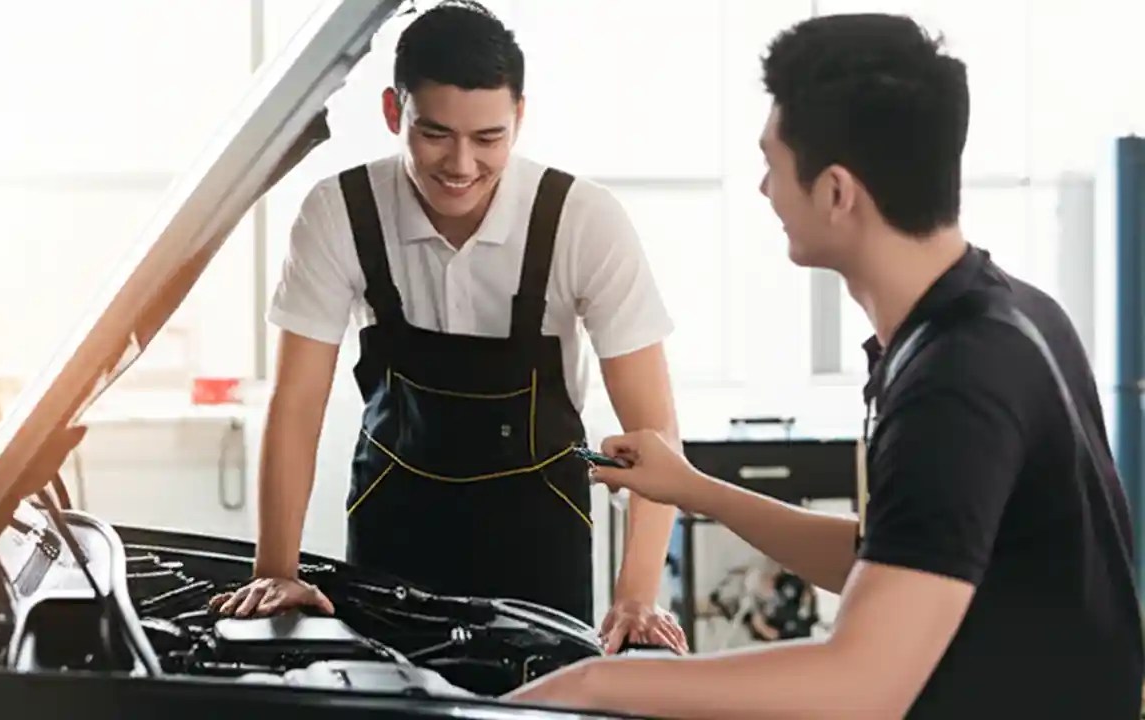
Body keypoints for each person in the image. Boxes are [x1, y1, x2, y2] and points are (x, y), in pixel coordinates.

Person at [506, 13, 1144, 718]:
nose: (763, 191)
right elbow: (890, 561)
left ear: (838, 193)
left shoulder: (959, 381)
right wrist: (696, 490)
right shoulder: (1011, 314)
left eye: (772, 165)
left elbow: (861, 685)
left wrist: (593, 685)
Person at [209, 0, 687, 655]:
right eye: (435, 134)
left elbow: (653, 431)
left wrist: (636, 596)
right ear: (391, 112)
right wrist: (275, 571)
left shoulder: (583, 220)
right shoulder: (339, 214)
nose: (461, 165)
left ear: (519, 117)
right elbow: (296, 406)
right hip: (392, 532)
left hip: (540, 537)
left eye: (488, 138)